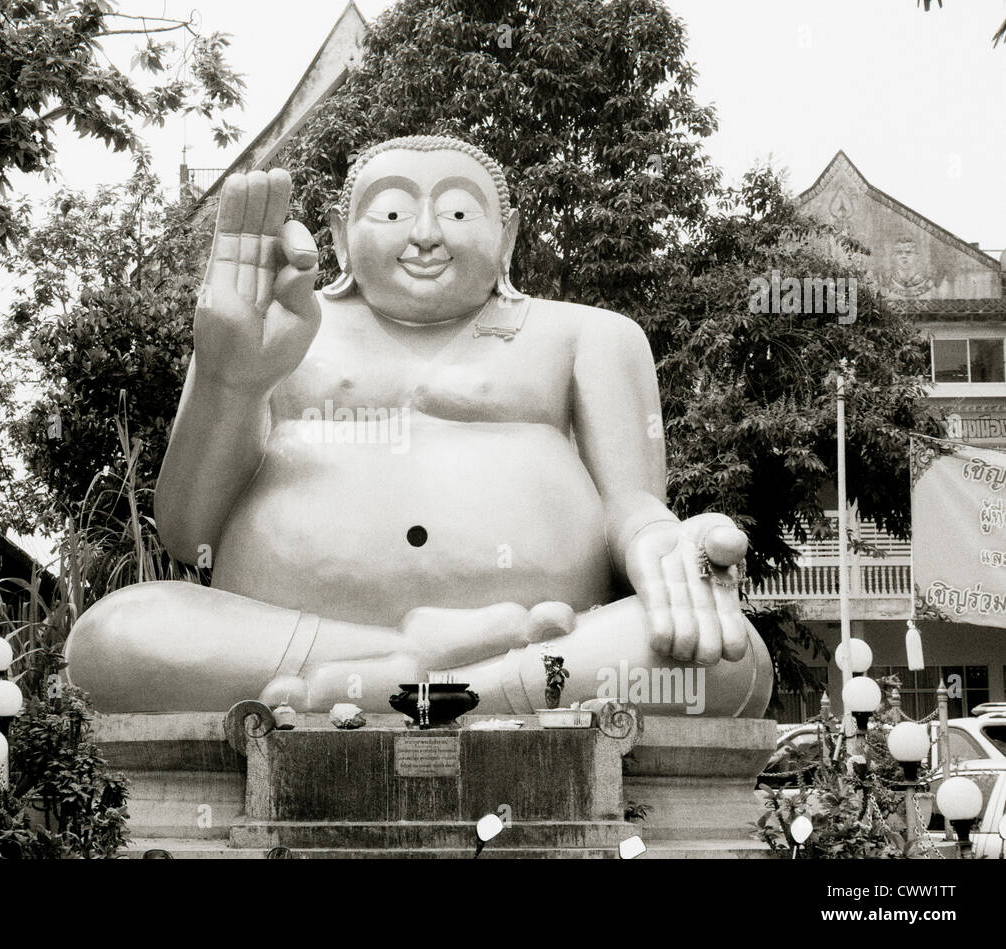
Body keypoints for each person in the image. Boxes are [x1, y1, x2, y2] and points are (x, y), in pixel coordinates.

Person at [66, 135, 772, 717]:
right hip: (329, 639)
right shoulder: (273, 323)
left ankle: (422, 687)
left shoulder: (588, 334)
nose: (428, 235)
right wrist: (229, 376)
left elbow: (631, 503)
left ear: (509, 235)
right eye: (394, 213)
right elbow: (192, 531)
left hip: (531, 638)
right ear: (340, 236)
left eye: (462, 214)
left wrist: (662, 540)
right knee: (115, 637)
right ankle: (422, 667)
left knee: (723, 648)